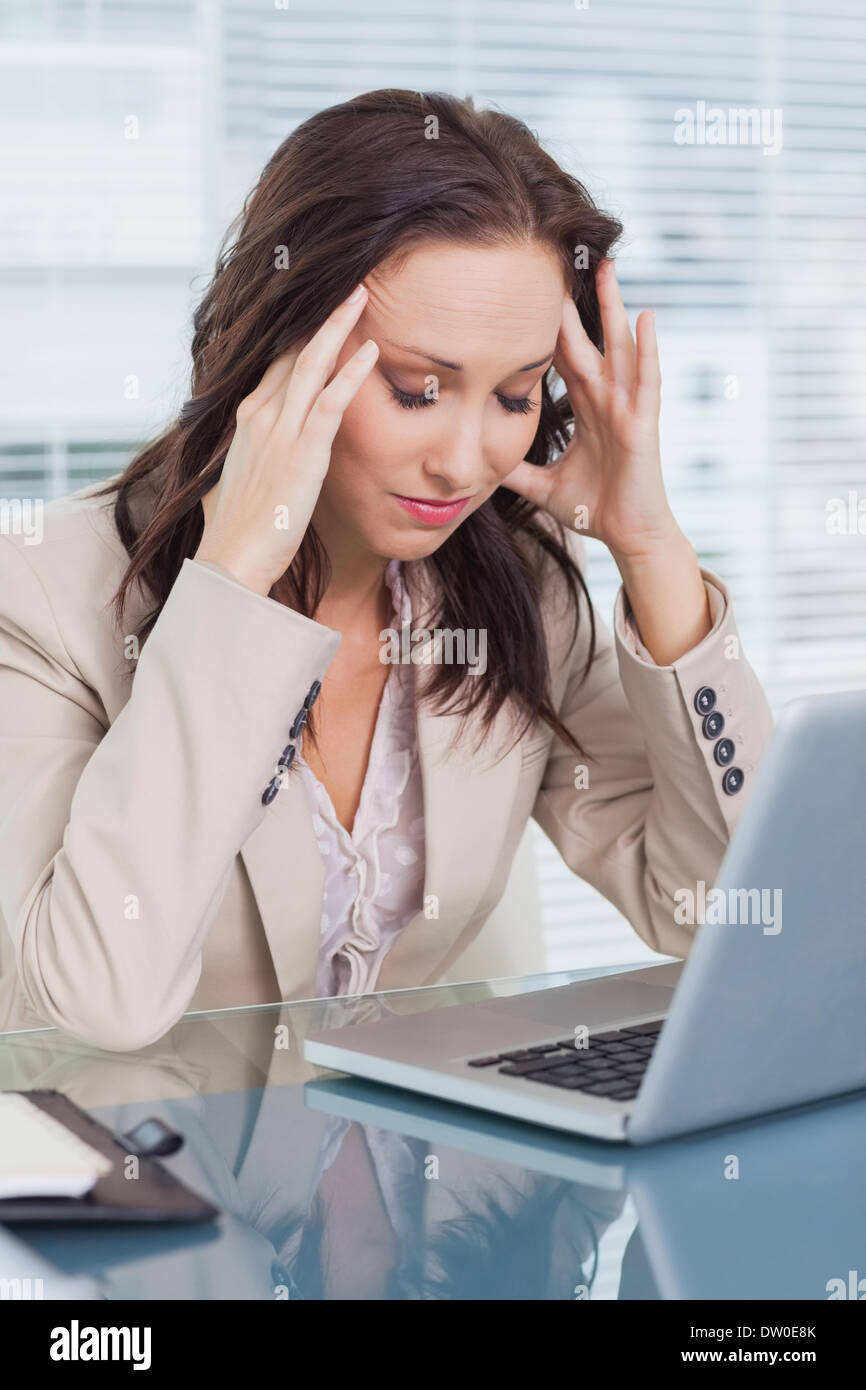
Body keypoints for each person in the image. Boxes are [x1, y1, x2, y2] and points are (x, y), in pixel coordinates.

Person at [0, 89, 774, 1052]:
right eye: (417, 391)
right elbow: (92, 1005)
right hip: (164, 1186)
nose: (464, 460)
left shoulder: (519, 585)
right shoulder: (40, 599)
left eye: (516, 395)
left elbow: (730, 914)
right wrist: (233, 584)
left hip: (431, 1185)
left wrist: (651, 548)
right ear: (284, 350)